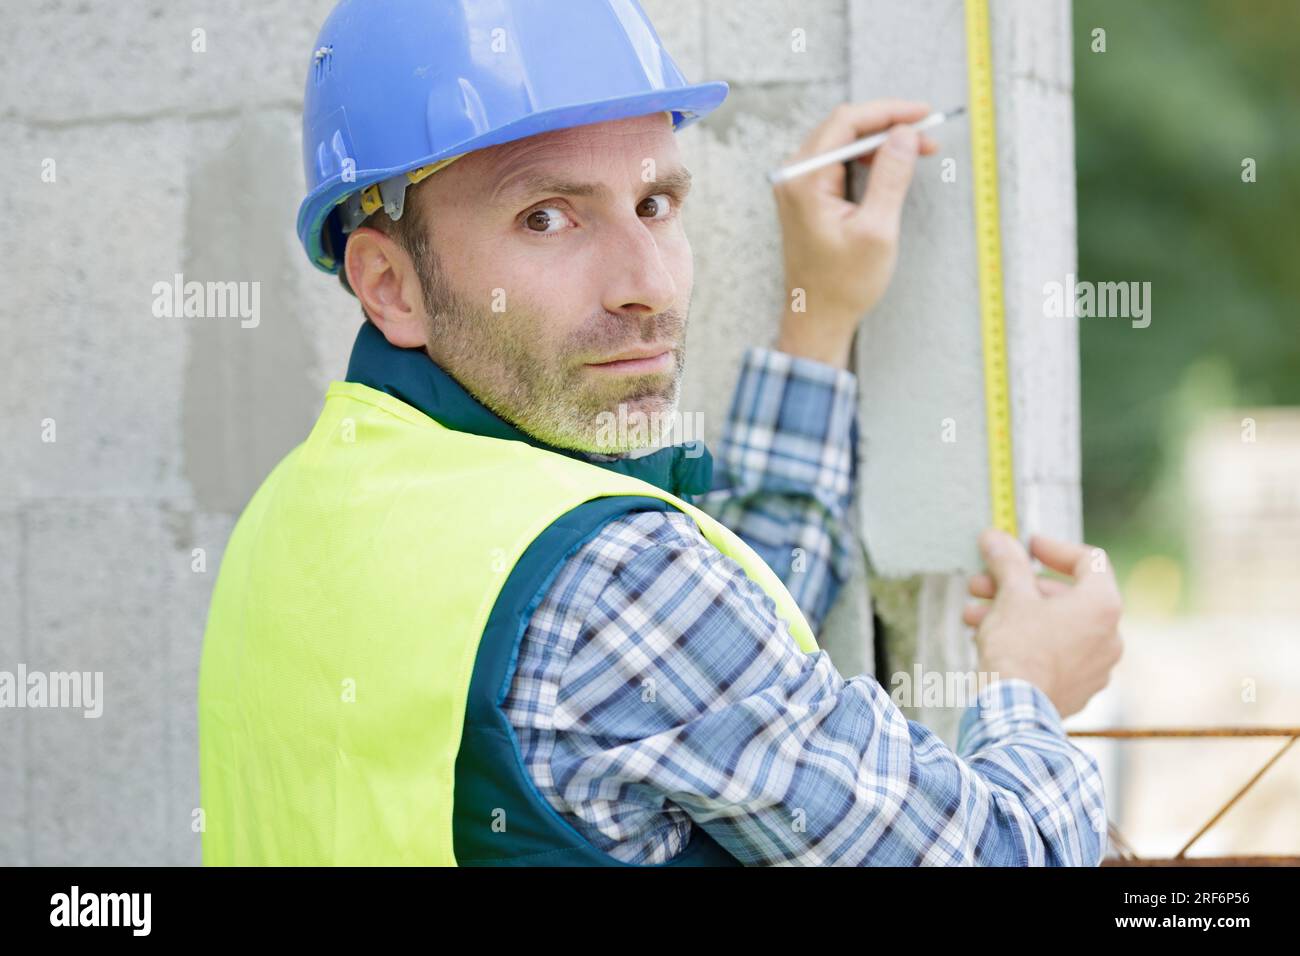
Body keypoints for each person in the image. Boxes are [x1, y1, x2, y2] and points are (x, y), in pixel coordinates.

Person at [198, 0, 1122, 866]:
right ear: (390, 283)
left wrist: (818, 321)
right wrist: (1025, 688)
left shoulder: (288, 524)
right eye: (546, 217)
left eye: (655, 206)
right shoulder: (616, 580)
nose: (647, 284)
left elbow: (718, 678)